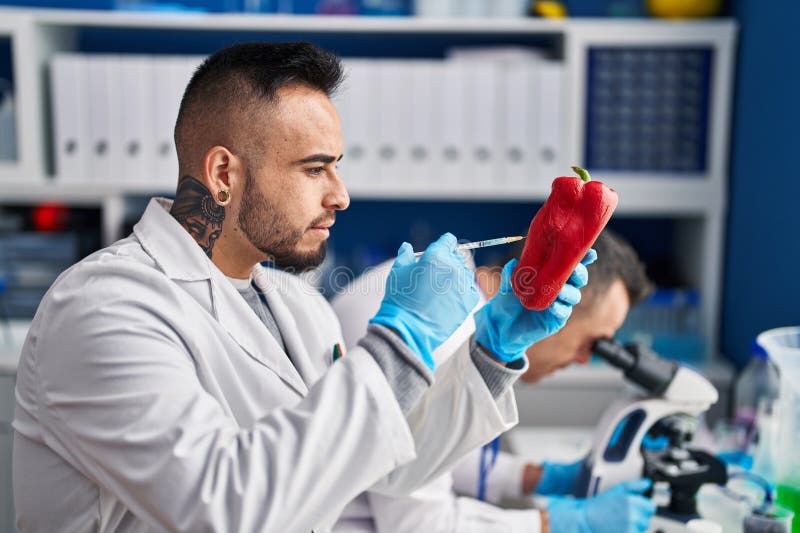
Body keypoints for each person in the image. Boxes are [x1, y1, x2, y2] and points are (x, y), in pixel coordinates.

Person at [12, 42, 591, 532]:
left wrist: (492, 352)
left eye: (336, 166)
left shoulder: (295, 305)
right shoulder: (102, 308)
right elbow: (222, 507)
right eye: (314, 169)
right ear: (222, 175)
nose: (340, 195)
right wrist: (401, 339)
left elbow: (379, 472)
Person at [332, 230, 658, 532]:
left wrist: (538, 478)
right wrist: (562, 523)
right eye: (592, 342)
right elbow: (420, 523)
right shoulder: (436, 326)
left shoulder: (450, 291)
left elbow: (426, 448)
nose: (585, 359)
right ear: (558, 296)